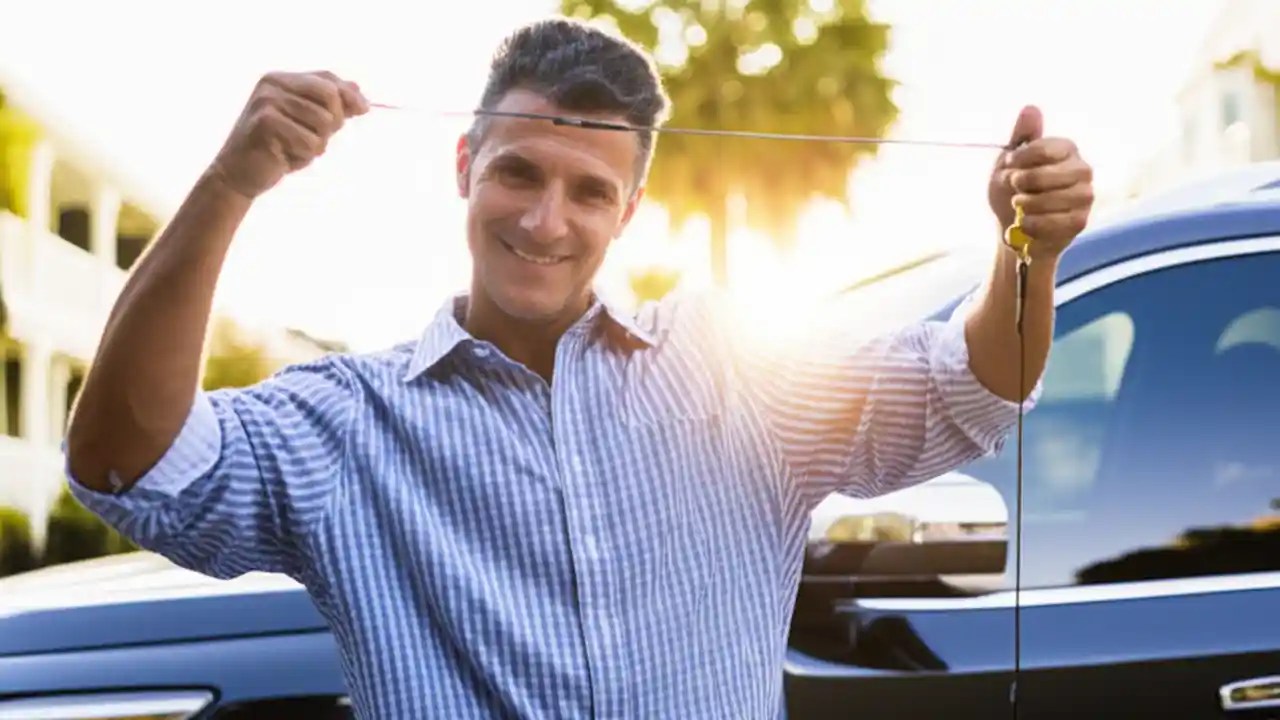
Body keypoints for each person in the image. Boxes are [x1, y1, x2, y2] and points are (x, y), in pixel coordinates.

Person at [64, 16, 1093, 720]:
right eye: (516, 172)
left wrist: (1029, 257)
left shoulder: (738, 372)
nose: (544, 221)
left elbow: (969, 384)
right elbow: (131, 464)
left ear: (628, 211)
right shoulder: (350, 426)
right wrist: (227, 187)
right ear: (464, 167)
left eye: (588, 192)